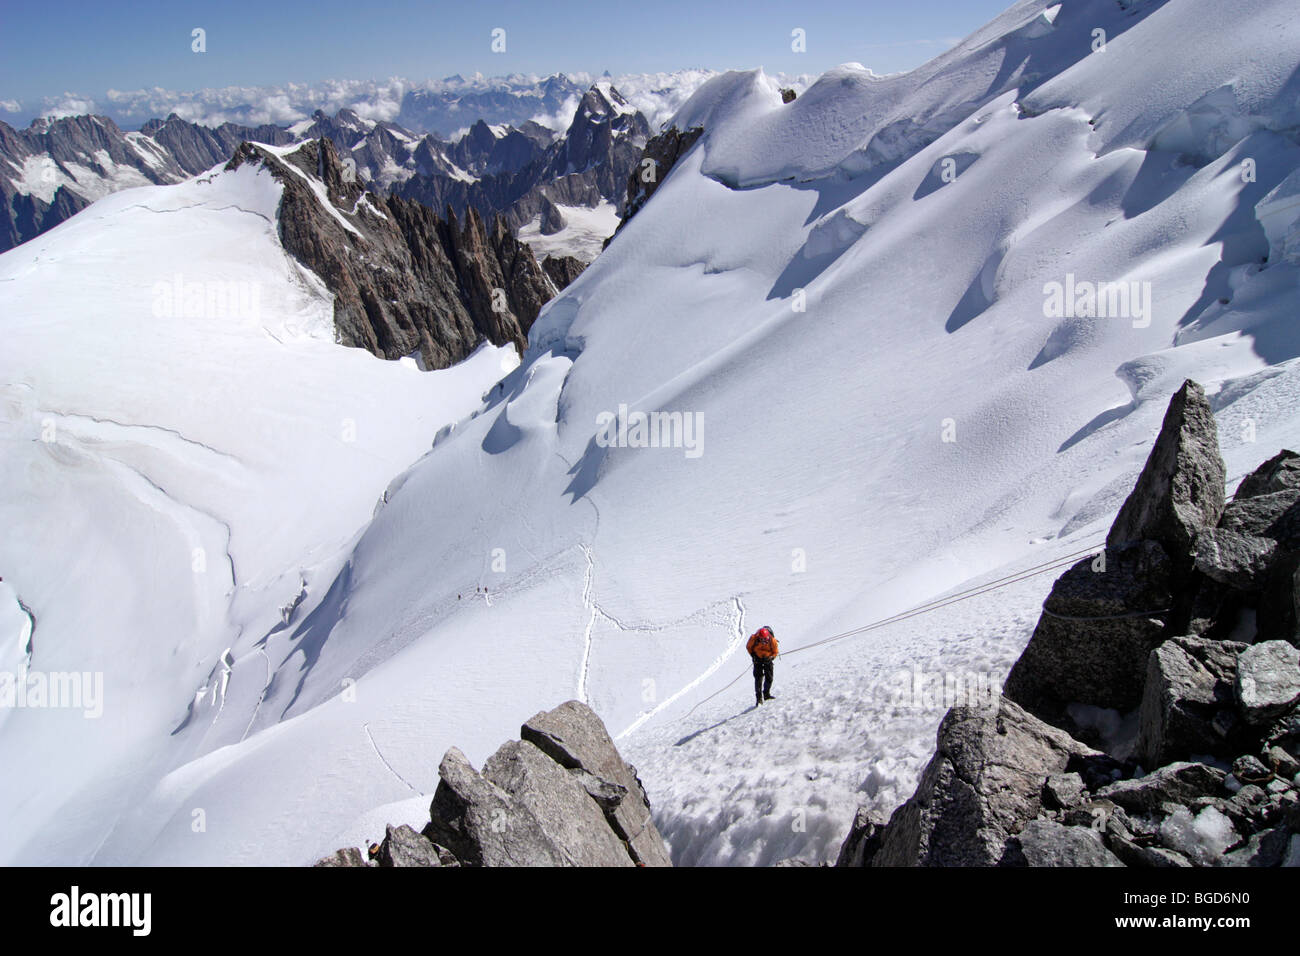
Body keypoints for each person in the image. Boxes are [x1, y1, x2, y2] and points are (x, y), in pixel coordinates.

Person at [746, 625, 779, 706]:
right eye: (762, 639)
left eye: (765, 639)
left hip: (768, 660)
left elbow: (775, 652)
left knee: (769, 677)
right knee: (758, 678)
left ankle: (766, 694)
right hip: (758, 660)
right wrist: (754, 656)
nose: (763, 641)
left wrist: (771, 658)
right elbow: (748, 647)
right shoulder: (754, 638)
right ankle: (759, 698)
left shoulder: (773, 641)